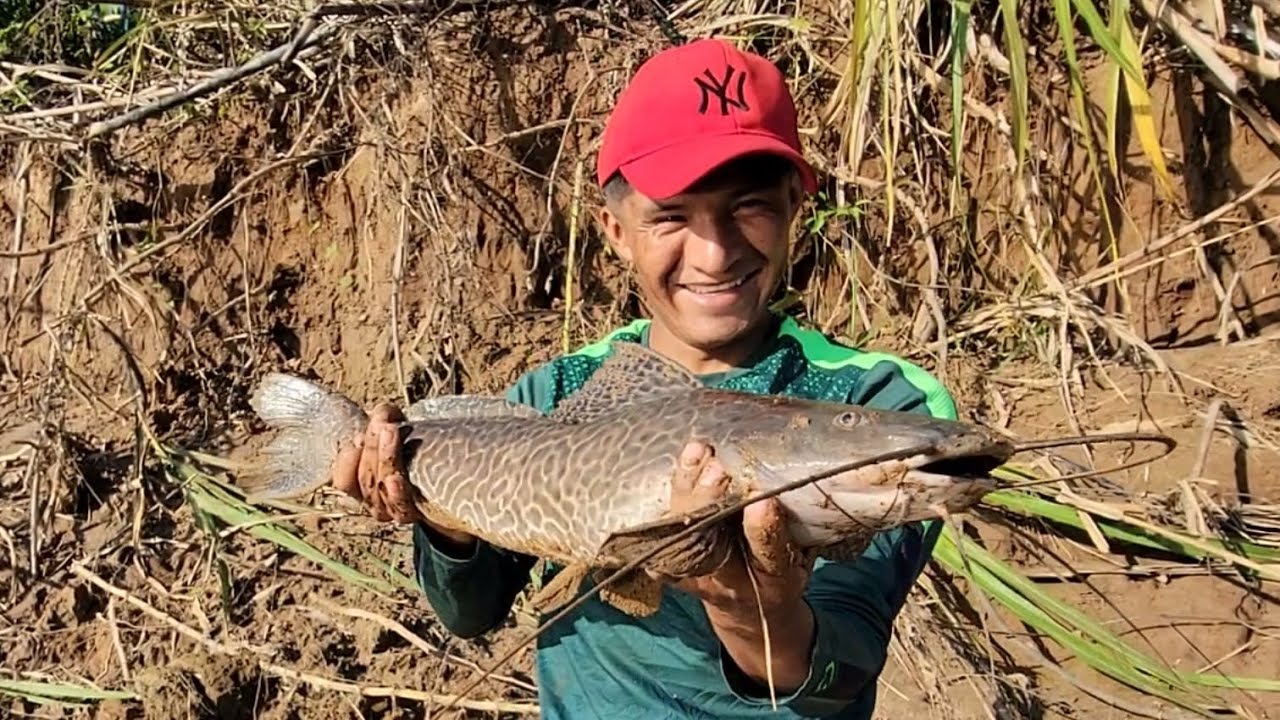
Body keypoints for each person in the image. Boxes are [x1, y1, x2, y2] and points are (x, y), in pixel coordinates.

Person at [330, 38, 959, 719]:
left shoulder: (881, 405)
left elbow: (845, 666)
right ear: (615, 230)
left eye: (749, 206)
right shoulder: (557, 394)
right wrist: (441, 525)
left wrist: (746, 609)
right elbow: (472, 615)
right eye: (670, 217)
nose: (715, 253)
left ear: (793, 207)